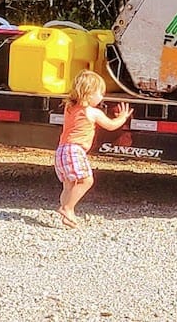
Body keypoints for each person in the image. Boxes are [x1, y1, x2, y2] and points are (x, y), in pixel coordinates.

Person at [54, 70, 132, 228]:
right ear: (88, 93)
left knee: (69, 184)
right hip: (74, 150)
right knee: (87, 180)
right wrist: (122, 118)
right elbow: (111, 126)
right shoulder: (92, 112)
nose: (102, 97)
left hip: (62, 150)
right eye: (100, 93)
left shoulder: (70, 107)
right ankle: (67, 208)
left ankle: (67, 215)